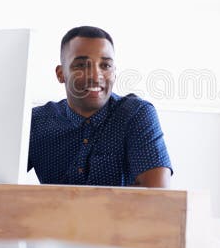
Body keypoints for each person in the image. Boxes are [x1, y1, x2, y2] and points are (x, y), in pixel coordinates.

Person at [28, 26, 172, 188]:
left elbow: (158, 194)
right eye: (81, 65)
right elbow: (3, 181)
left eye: (105, 66)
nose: (96, 77)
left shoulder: (136, 114)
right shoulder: (36, 122)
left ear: (115, 72)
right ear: (61, 74)